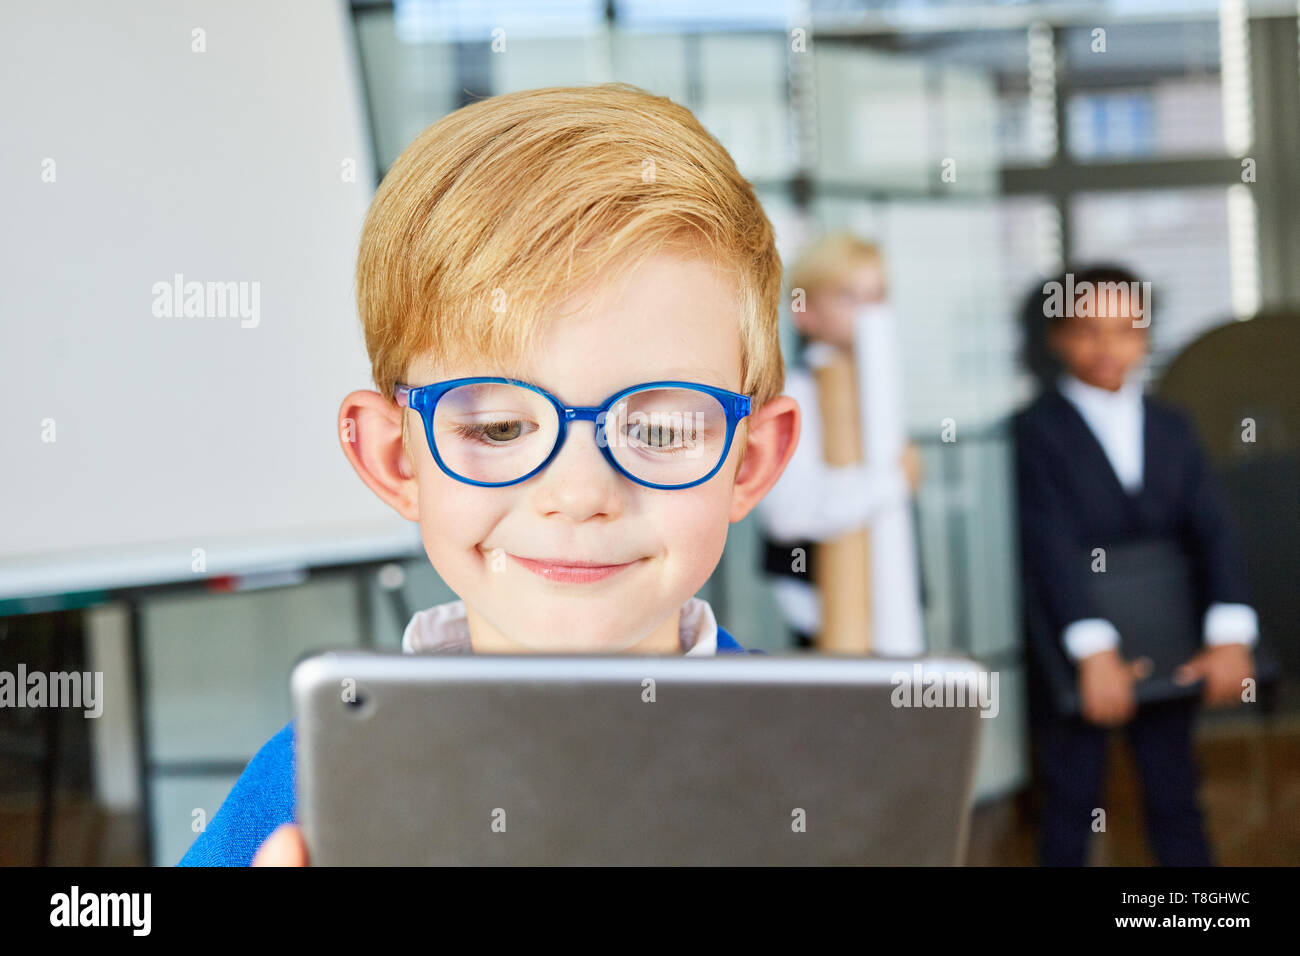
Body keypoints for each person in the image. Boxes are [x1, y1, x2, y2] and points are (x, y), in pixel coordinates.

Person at [177, 83, 801, 866]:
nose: (579, 496)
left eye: (659, 429)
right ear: (395, 459)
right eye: (501, 427)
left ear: (751, 461)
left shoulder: (816, 768)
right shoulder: (304, 789)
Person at [1014, 264, 1258, 866]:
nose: (1108, 347)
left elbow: (1214, 533)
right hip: (1076, 651)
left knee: (1176, 796)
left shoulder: (1173, 426)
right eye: (1088, 330)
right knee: (1070, 799)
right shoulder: (1033, 432)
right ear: (1057, 337)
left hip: (1170, 644)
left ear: (1146, 336)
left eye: (1126, 330)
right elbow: (1046, 548)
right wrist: (1093, 651)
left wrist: (1230, 634)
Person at [755, 234, 922, 648]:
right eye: (849, 297)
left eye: (878, 296)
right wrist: (891, 482)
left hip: (891, 621)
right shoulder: (794, 394)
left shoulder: (882, 396)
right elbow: (788, 516)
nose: (869, 313)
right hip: (827, 623)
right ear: (804, 312)